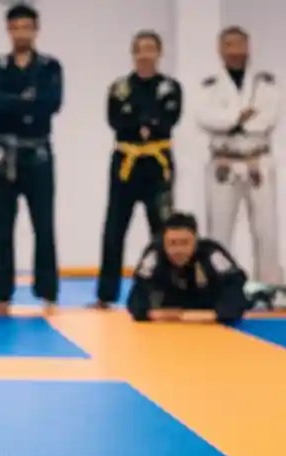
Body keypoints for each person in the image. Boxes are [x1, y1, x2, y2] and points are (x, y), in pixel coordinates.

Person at [0, 3, 63, 314]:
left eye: (26, 27)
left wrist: (11, 103)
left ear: (36, 30)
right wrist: (26, 101)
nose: (21, 33)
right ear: (8, 30)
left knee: (43, 224)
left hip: (37, 153)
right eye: (15, 28)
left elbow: (51, 103)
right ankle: (2, 295)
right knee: (1, 226)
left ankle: (48, 294)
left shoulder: (50, 67)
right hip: (2, 154)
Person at [93, 30, 183, 309]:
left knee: (163, 229)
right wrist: (143, 122)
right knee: (114, 228)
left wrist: (144, 121)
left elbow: (170, 118)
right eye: (140, 49)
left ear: (159, 53)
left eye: (150, 49)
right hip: (126, 163)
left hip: (157, 163)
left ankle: (166, 293)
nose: (145, 54)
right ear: (133, 54)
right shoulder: (119, 87)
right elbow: (115, 120)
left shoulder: (170, 87)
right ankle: (106, 294)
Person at [193, 26, 282, 285]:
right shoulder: (209, 85)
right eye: (229, 45)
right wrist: (237, 118)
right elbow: (205, 118)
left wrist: (231, 122)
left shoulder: (265, 83)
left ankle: (271, 286)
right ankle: (218, 285)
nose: (235, 51)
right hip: (224, 161)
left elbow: (268, 117)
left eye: (240, 45)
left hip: (257, 160)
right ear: (220, 49)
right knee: (219, 230)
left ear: (249, 47)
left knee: (266, 229)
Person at [126, 211, 249, 325]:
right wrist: (149, 313)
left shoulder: (211, 253)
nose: (178, 250)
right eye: (172, 243)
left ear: (195, 240)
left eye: (185, 243)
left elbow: (235, 286)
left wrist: (214, 314)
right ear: (163, 242)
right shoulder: (155, 254)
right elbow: (137, 294)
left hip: (208, 308)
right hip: (170, 312)